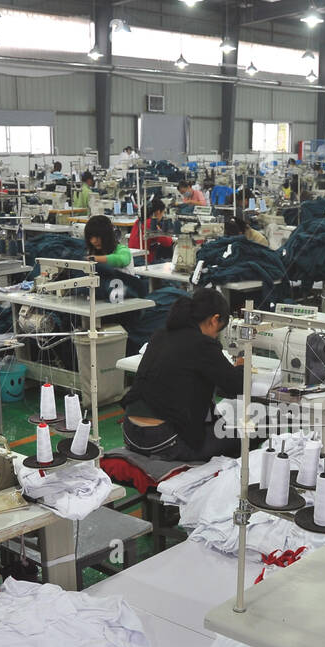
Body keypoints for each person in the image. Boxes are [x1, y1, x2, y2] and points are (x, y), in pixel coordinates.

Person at [120, 288, 244, 462]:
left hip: (129, 432)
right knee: (240, 439)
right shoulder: (203, 345)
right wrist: (241, 366)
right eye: (219, 330)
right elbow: (236, 386)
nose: (216, 336)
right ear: (214, 320)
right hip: (162, 440)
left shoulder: (160, 335)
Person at [129, 196, 174, 263]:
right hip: (142, 260)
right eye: (163, 212)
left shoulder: (138, 221)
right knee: (171, 263)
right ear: (158, 212)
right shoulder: (150, 223)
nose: (162, 215)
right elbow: (167, 243)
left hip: (133, 258)